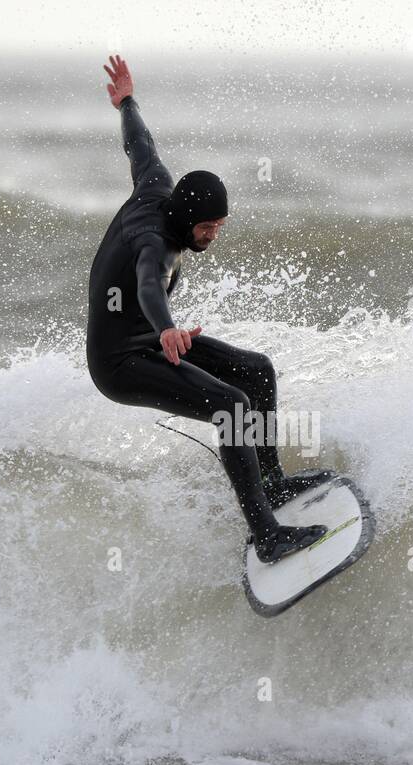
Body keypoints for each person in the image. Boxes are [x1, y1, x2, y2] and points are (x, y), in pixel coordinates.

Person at [87, 55, 332, 563]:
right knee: (231, 407)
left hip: (155, 341)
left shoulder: (159, 183)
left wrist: (126, 102)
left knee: (256, 372)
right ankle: (268, 536)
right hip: (119, 363)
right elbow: (148, 285)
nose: (213, 235)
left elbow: (141, 146)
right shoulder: (153, 240)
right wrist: (168, 328)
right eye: (208, 228)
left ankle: (273, 482)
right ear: (186, 218)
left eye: (219, 226)